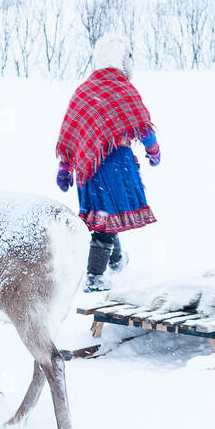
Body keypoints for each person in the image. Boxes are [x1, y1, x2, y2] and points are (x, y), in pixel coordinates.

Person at [55, 33, 159, 291]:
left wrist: (65, 167)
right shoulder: (125, 89)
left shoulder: (84, 91)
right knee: (104, 219)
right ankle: (95, 276)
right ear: (123, 62)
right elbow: (143, 125)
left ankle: (116, 261)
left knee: (104, 215)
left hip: (89, 168)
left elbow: (70, 129)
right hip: (116, 167)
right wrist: (153, 150)